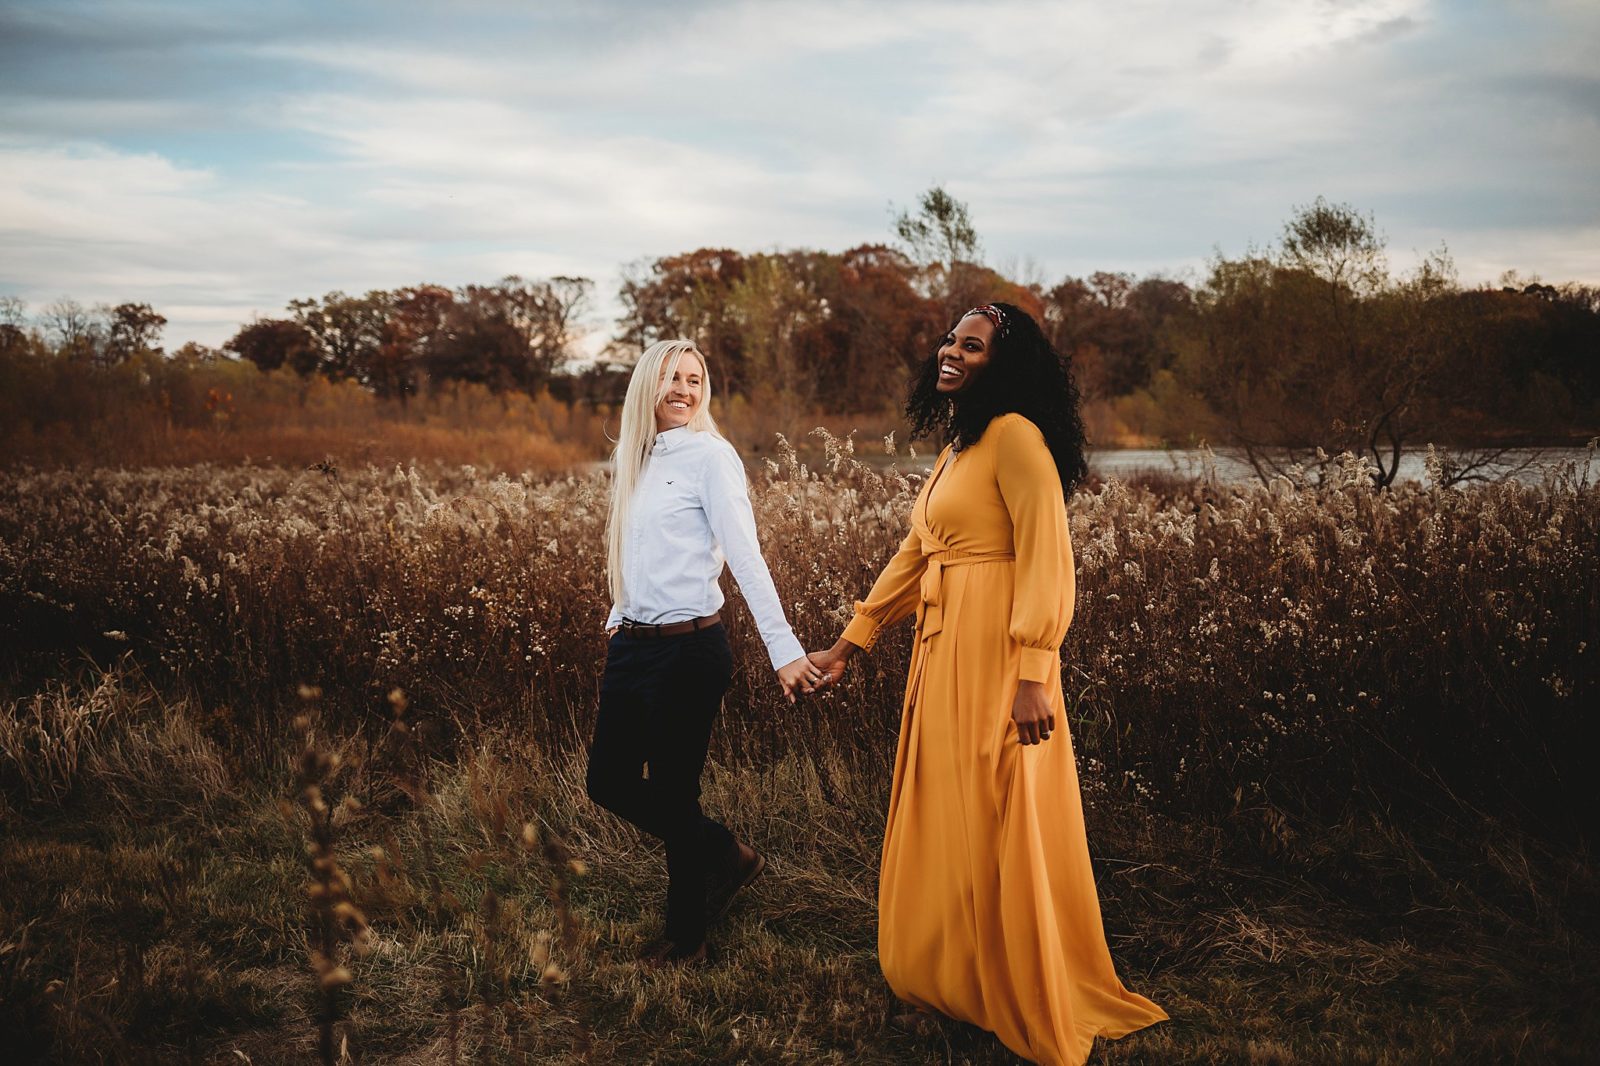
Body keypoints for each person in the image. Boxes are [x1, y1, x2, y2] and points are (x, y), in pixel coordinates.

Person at [805, 304, 1167, 1064]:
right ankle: (957, 980)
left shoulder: (1016, 438)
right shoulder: (959, 447)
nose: (952, 352)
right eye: (950, 340)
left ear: (1003, 364)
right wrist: (849, 643)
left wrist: (1035, 672)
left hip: (1001, 657)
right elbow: (917, 553)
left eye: (972, 346)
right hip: (943, 654)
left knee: (1002, 810)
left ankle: (1018, 986)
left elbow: (1047, 558)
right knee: (949, 808)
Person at [586, 338, 822, 965]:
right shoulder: (633, 457)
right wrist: (620, 615)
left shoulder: (711, 457)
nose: (684, 390)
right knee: (607, 781)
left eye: (694, 380)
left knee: (672, 793)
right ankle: (726, 854)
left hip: (690, 650)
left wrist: (783, 650)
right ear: (648, 385)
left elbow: (745, 557)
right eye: (672, 378)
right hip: (632, 646)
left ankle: (686, 938)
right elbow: (636, 551)